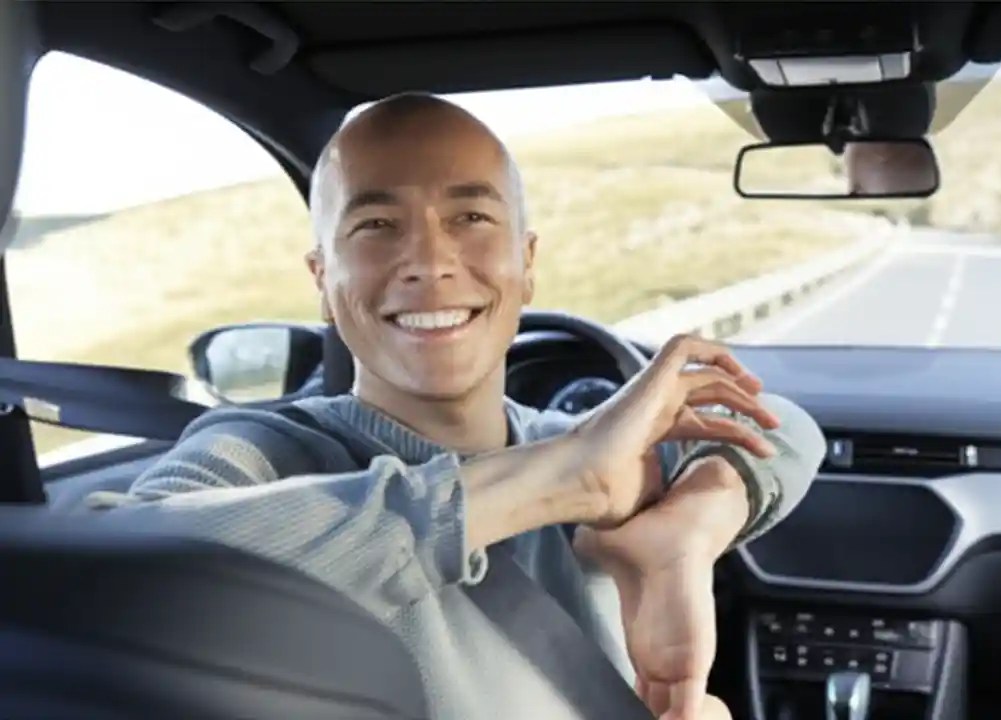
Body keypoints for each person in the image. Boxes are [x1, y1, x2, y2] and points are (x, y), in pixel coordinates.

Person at [81, 93, 825, 720]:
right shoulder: (266, 451)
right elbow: (116, 573)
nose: (430, 261)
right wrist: (557, 484)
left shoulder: (597, 454)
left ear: (527, 264)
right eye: (375, 226)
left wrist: (692, 528)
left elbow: (785, 428)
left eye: (470, 218)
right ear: (322, 276)